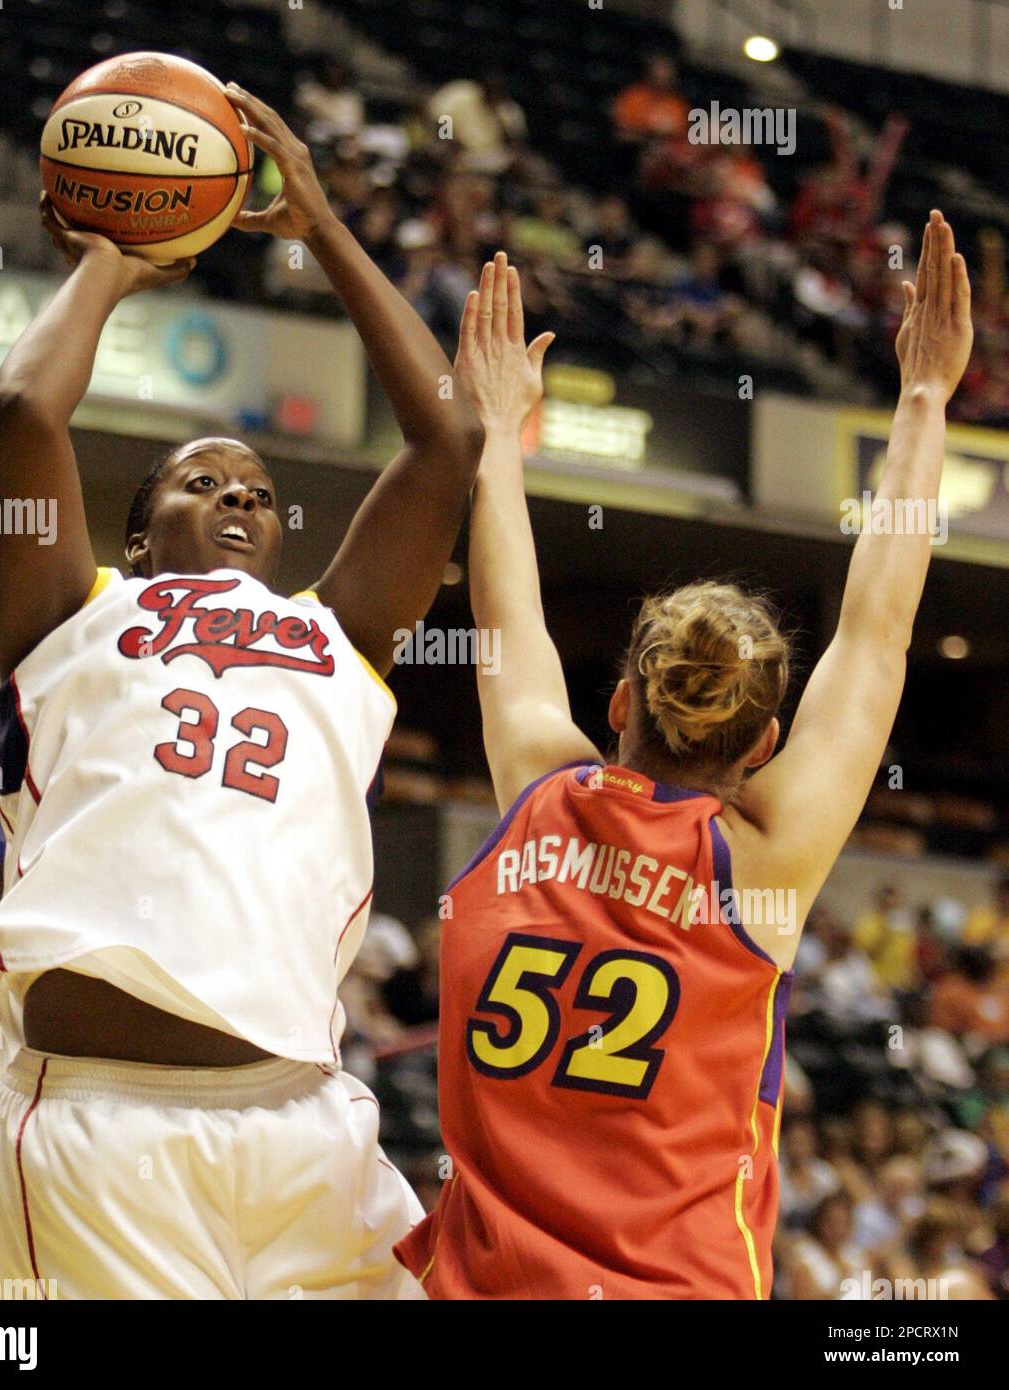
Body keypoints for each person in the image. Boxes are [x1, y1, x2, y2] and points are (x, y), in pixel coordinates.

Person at [395, 212, 974, 1297]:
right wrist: (924, 397)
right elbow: (877, 631)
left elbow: (504, 607)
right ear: (763, 744)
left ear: (618, 701)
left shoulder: (538, 792)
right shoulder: (761, 863)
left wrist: (498, 432)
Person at [0, 86, 484, 1301]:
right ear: (141, 537)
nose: (242, 497)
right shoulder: (73, 611)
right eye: (204, 482)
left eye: (255, 487)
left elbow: (446, 442)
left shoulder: (337, 633)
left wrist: (320, 226)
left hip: (304, 1118)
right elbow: (20, 408)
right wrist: (109, 257)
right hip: (103, 1123)